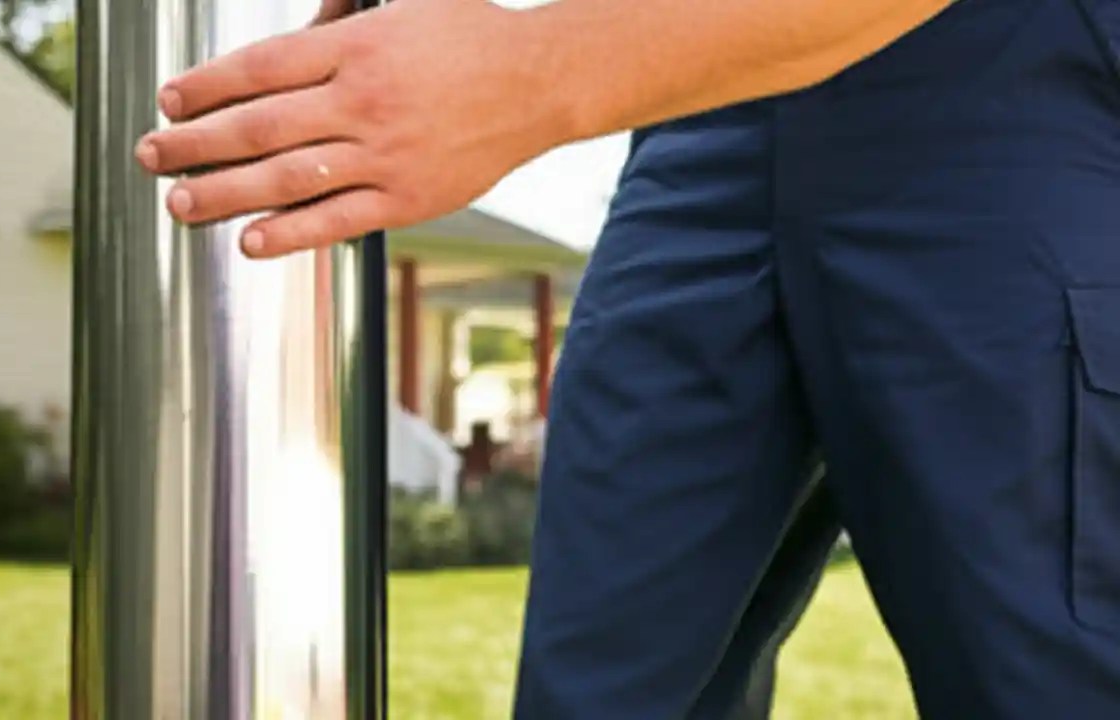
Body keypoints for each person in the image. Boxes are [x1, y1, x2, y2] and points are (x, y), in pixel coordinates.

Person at [134, 0, 1120, 716]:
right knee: (605, 688)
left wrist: (531, 72)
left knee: (1037, 674)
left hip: (998, 69)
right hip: (699, 91)